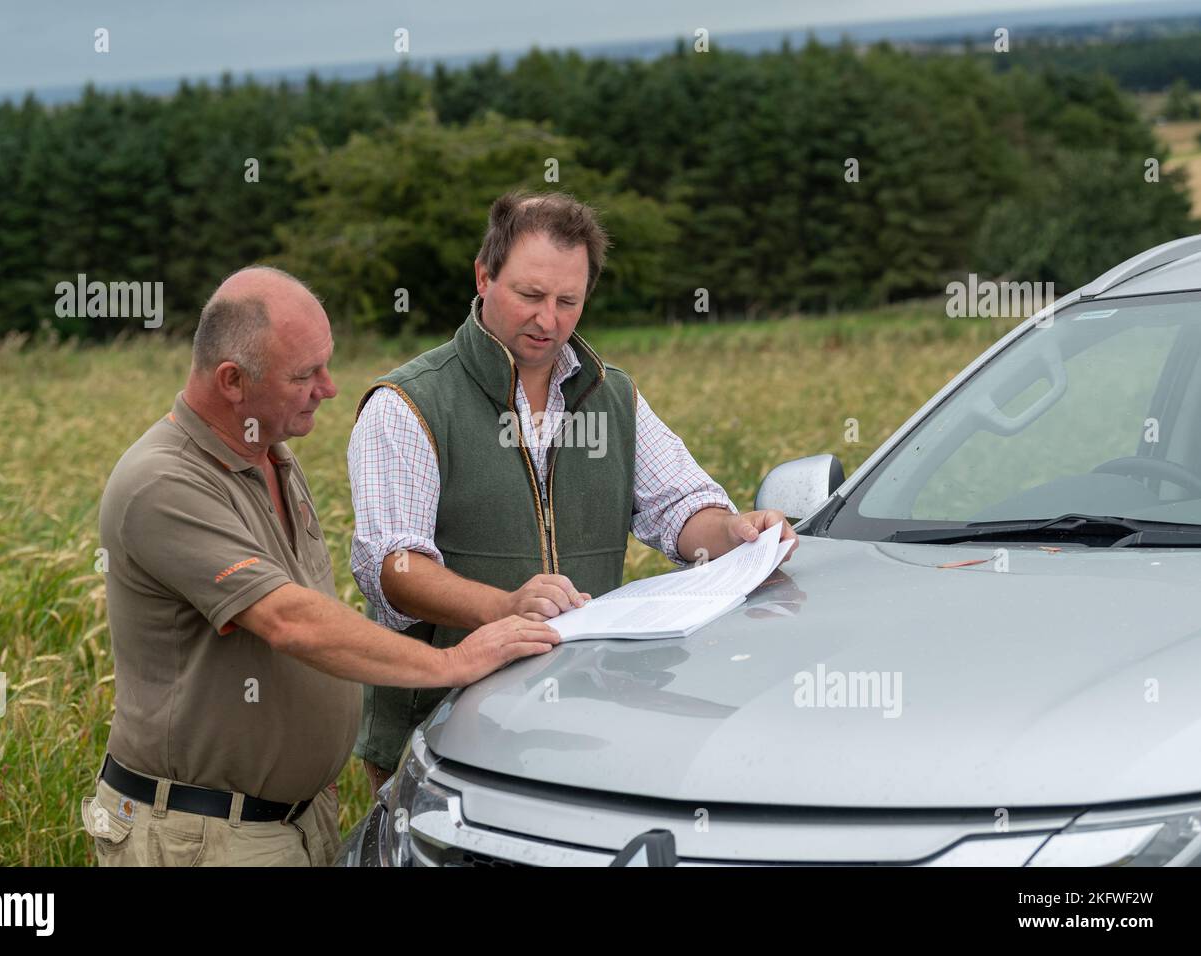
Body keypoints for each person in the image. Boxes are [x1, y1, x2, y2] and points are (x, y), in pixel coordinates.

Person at [82, 265, 557, 866]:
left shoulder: (269, 455)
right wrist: (453, 661)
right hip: (203, 835)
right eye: (305, 374)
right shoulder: (162, 482)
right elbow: (290, 619)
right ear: (232, 381)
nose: (329, 389)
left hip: (293, 822)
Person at [349, 192, 798, 791]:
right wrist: (504, 608)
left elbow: (682, 508)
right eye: (530, 296)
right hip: (440, 732)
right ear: (483, 277)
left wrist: (736, 532)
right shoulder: (409, 404)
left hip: (589, 723)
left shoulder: (612, 396)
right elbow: (391, 567)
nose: (549, 320)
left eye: (569, 301)